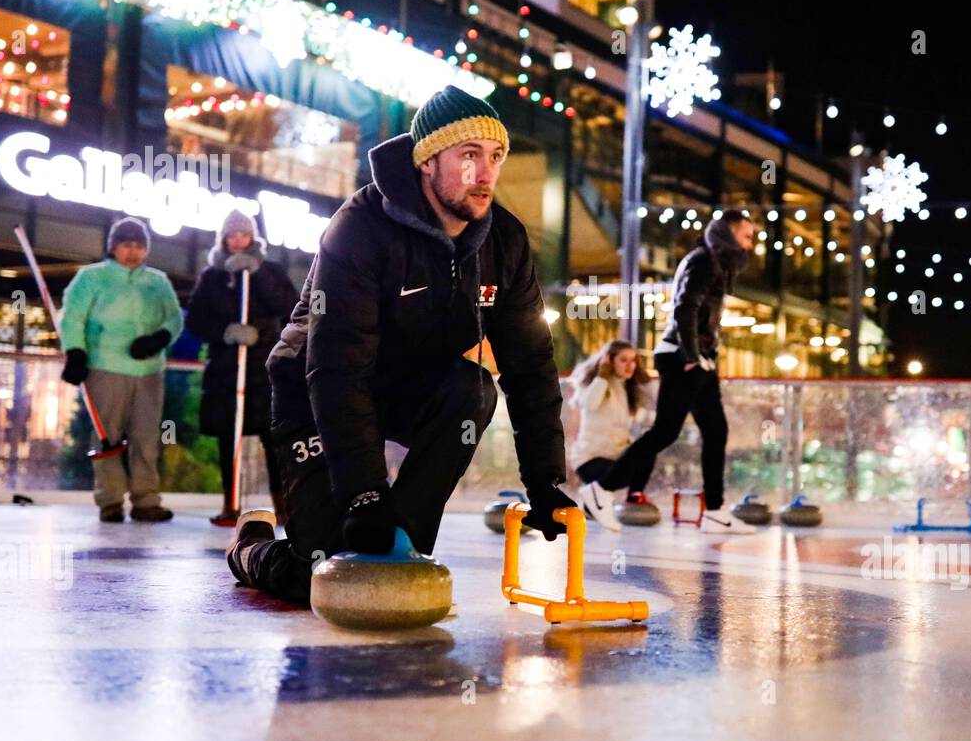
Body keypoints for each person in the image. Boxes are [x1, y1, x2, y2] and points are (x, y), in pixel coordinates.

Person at [225, 85, 576, 605]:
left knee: (474, 390)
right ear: (428, 161)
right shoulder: (360, 225)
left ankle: (402, 542)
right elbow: (337, 366)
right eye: (469, 156)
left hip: (411, 381)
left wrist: (544, 481)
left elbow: (530, 367)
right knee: (319, 577)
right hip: (314, 388)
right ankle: (252, 548)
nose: (486, 174)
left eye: (495, 156)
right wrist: (364, 496)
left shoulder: (505, 241)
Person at [600, 213, 758, 533]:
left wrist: (701, 355)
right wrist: (691, 353)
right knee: (665, 431)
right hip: (682, 357)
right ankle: (601, 490)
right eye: (745, 235)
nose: (749, 243)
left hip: (700, 358)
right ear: (727, 233)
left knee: (715, 431)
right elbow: (685, 306)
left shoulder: (712, 261)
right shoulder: (703, 260)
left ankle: (714, 510)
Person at [59, 217, 183, 522]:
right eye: (127, 244)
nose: (133, 251)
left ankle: (146, 499)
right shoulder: (91, 277)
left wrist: (160, 338)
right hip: (105, 366)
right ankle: (110, 499)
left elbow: (174, 317)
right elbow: (73, 317)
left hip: (149, 370)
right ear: (114, 247)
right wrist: (75, 352)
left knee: (146, 436)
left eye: (139, 246)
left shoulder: (157, 281)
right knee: (106, 435)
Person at [185, 209, 298, 527]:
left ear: (253, 238)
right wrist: (225, 332)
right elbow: (195, 318)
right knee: (227, 436)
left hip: (263, 370)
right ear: (223, 238)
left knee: (274, 438)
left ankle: (284, 505)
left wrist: (257, 274)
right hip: (226, 370)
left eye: (243, 235)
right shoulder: (212, 277)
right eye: (232, 235)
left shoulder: (270, 270)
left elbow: (288, 306)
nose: (237, 240)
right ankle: (229, 503)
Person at [568, 339, 657, 531]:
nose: (630, 365)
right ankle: (594, 497)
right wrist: (602, 375)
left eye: (634, 361)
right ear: (609, 360)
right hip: (590, 459)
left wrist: (645, 378)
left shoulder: (628, 389)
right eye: (623, 360)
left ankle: (632, 499)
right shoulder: (594, 384)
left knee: (650, 445)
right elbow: (589, 404)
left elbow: (659, 403)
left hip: (617, 457)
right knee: (628, 467)